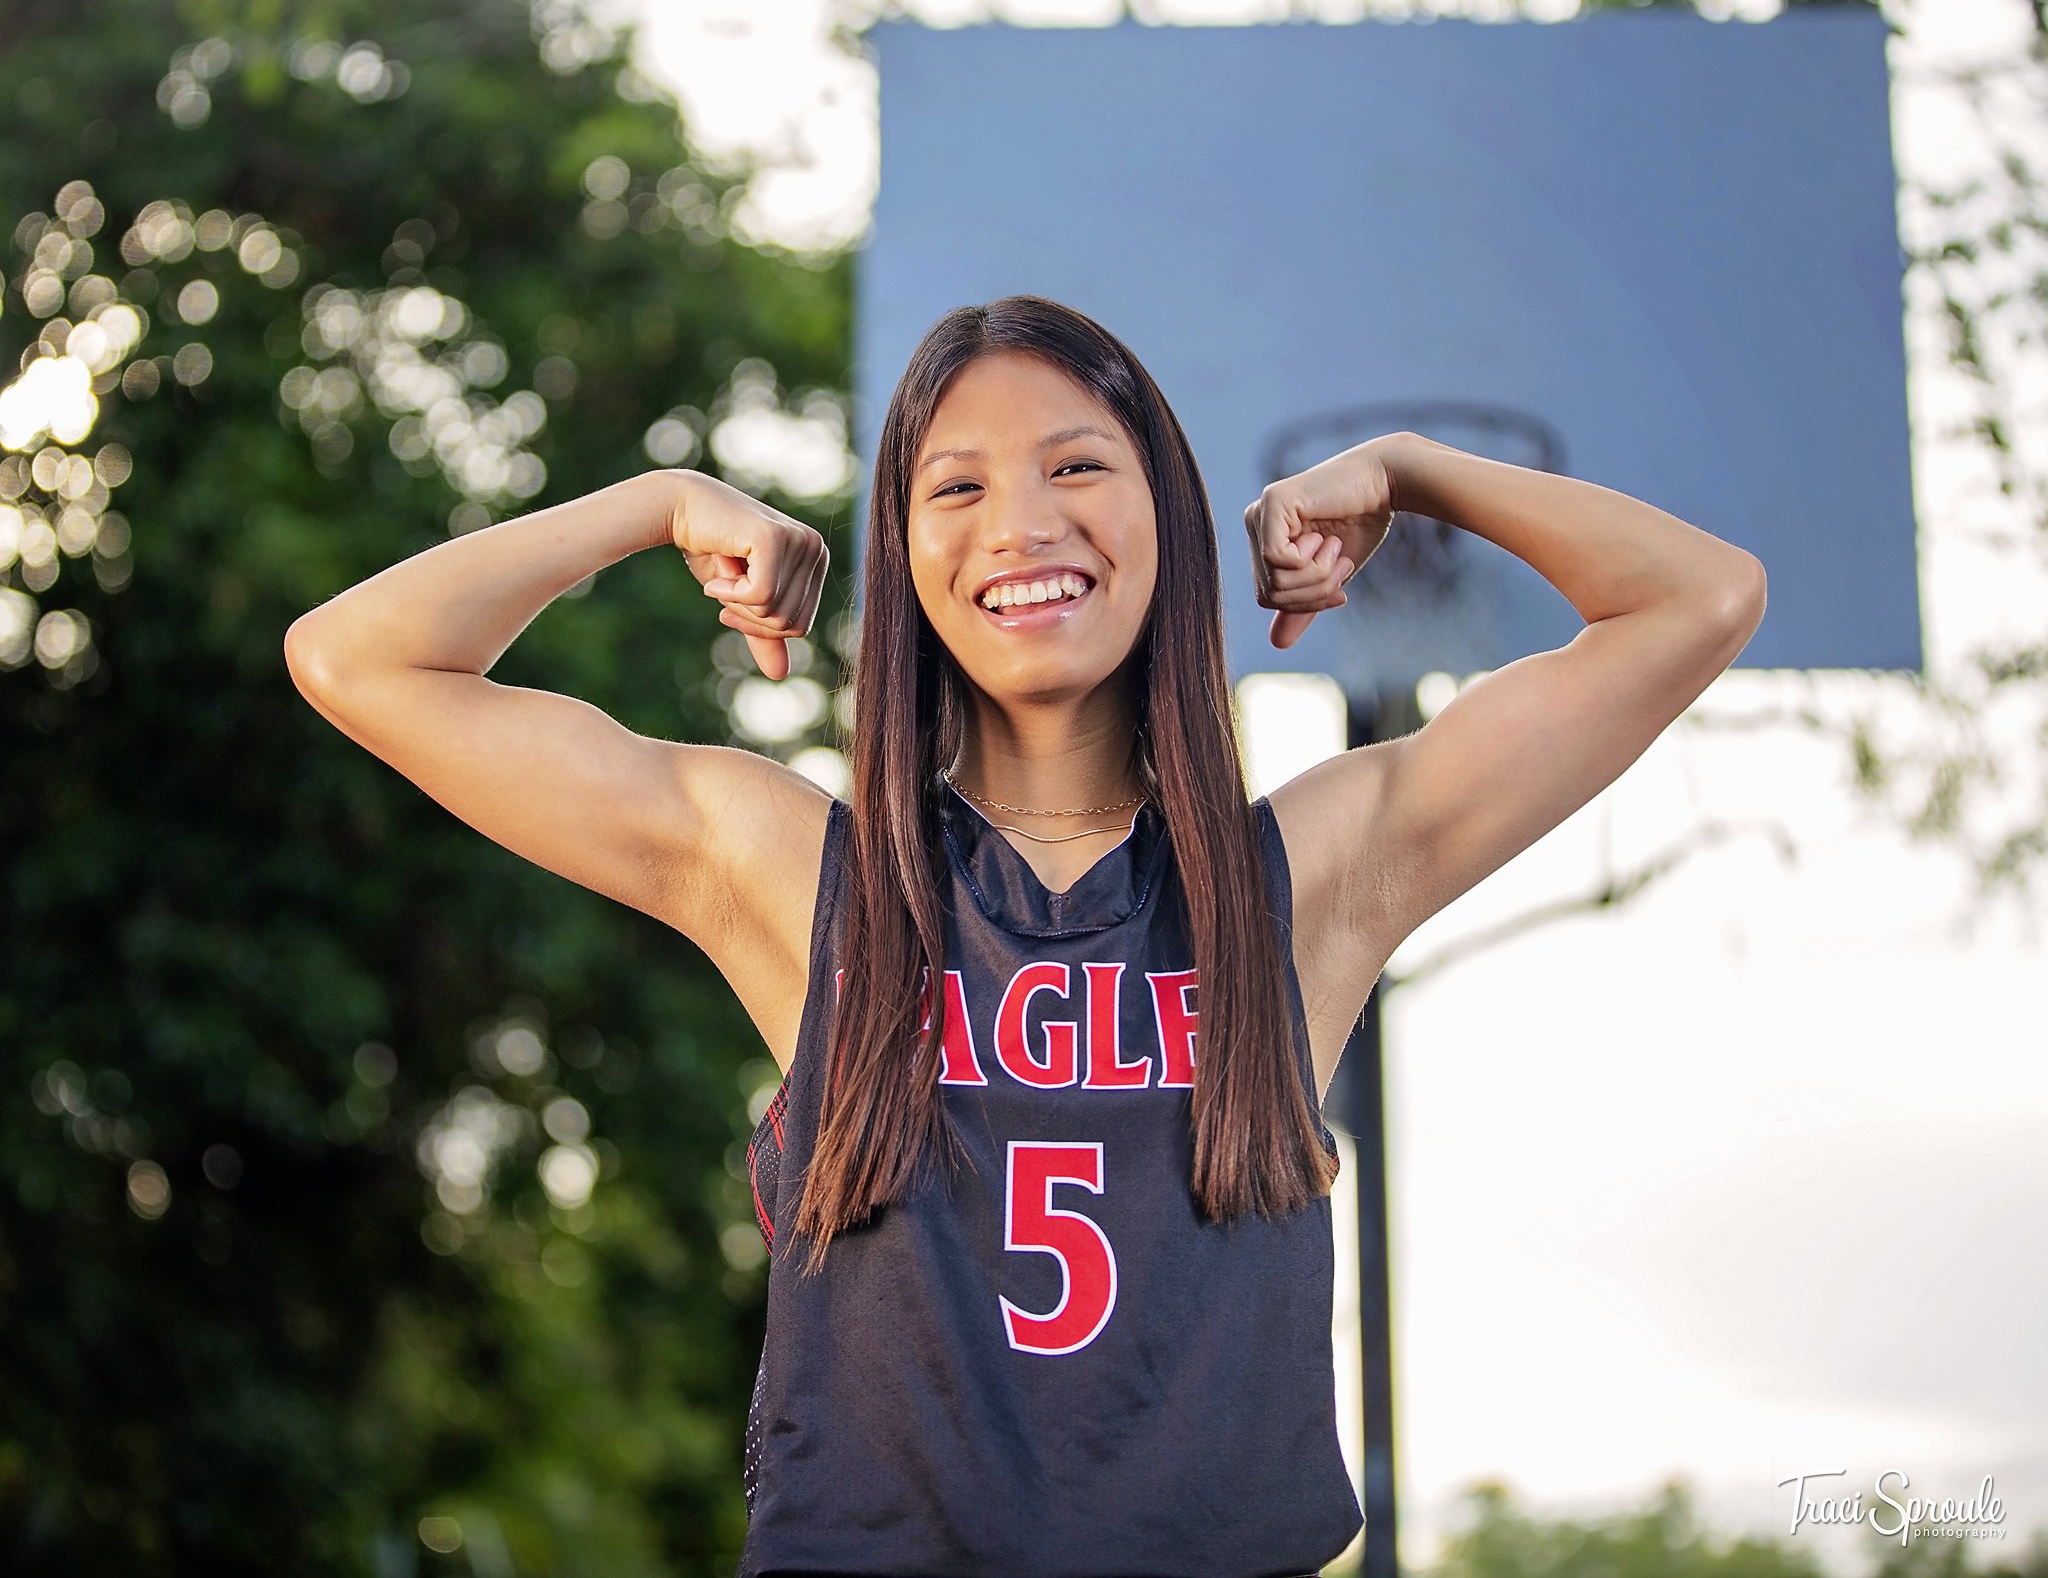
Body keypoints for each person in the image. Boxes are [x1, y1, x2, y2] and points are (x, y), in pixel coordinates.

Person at [284, 294, 1766, 1576]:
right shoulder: (793, 865)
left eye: (1077, 467)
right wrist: (659, 499)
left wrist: (1412, 472)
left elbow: (1699, 599)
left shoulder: (1307, 875)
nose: (1023, 523)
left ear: (1170, 521)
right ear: (904, 558)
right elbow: (355, 657)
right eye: (957, 488)